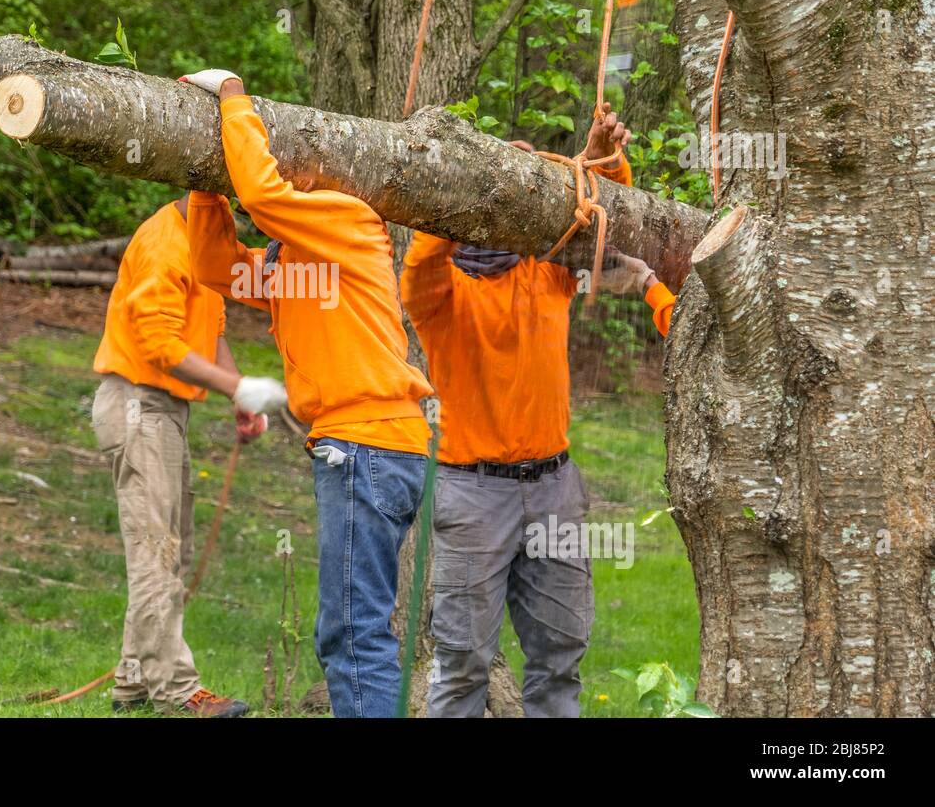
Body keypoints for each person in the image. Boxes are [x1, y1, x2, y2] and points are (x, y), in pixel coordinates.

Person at [400, 112, 676, 718]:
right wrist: (477, 175)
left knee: (560, 656)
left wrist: (602, 154)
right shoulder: (437, 288)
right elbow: (428, 235)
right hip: (471, 494)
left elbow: (603, 216)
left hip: (554, 486)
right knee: (462, 663)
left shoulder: (545, 270)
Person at [179, 68, 433, 718]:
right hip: (361, 448)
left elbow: (262, 197)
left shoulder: (346, 220)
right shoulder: (294, 257)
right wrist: (207, 183)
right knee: (349, 630)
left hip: (367, 446)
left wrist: (233, 97)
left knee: (353, 633)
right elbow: (214, 267)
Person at [92, 192, 288, 717]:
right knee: (156, 552)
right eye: (227, 206)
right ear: (202, 197)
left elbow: (212, 328)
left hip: (166, 410)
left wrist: (236, 398)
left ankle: (133, 682)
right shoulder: (163, 244)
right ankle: (177, 691)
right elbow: (161, 345)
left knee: (168, 550)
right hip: (136, 404)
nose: (233, 219)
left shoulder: (205, 248)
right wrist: (238, 385)